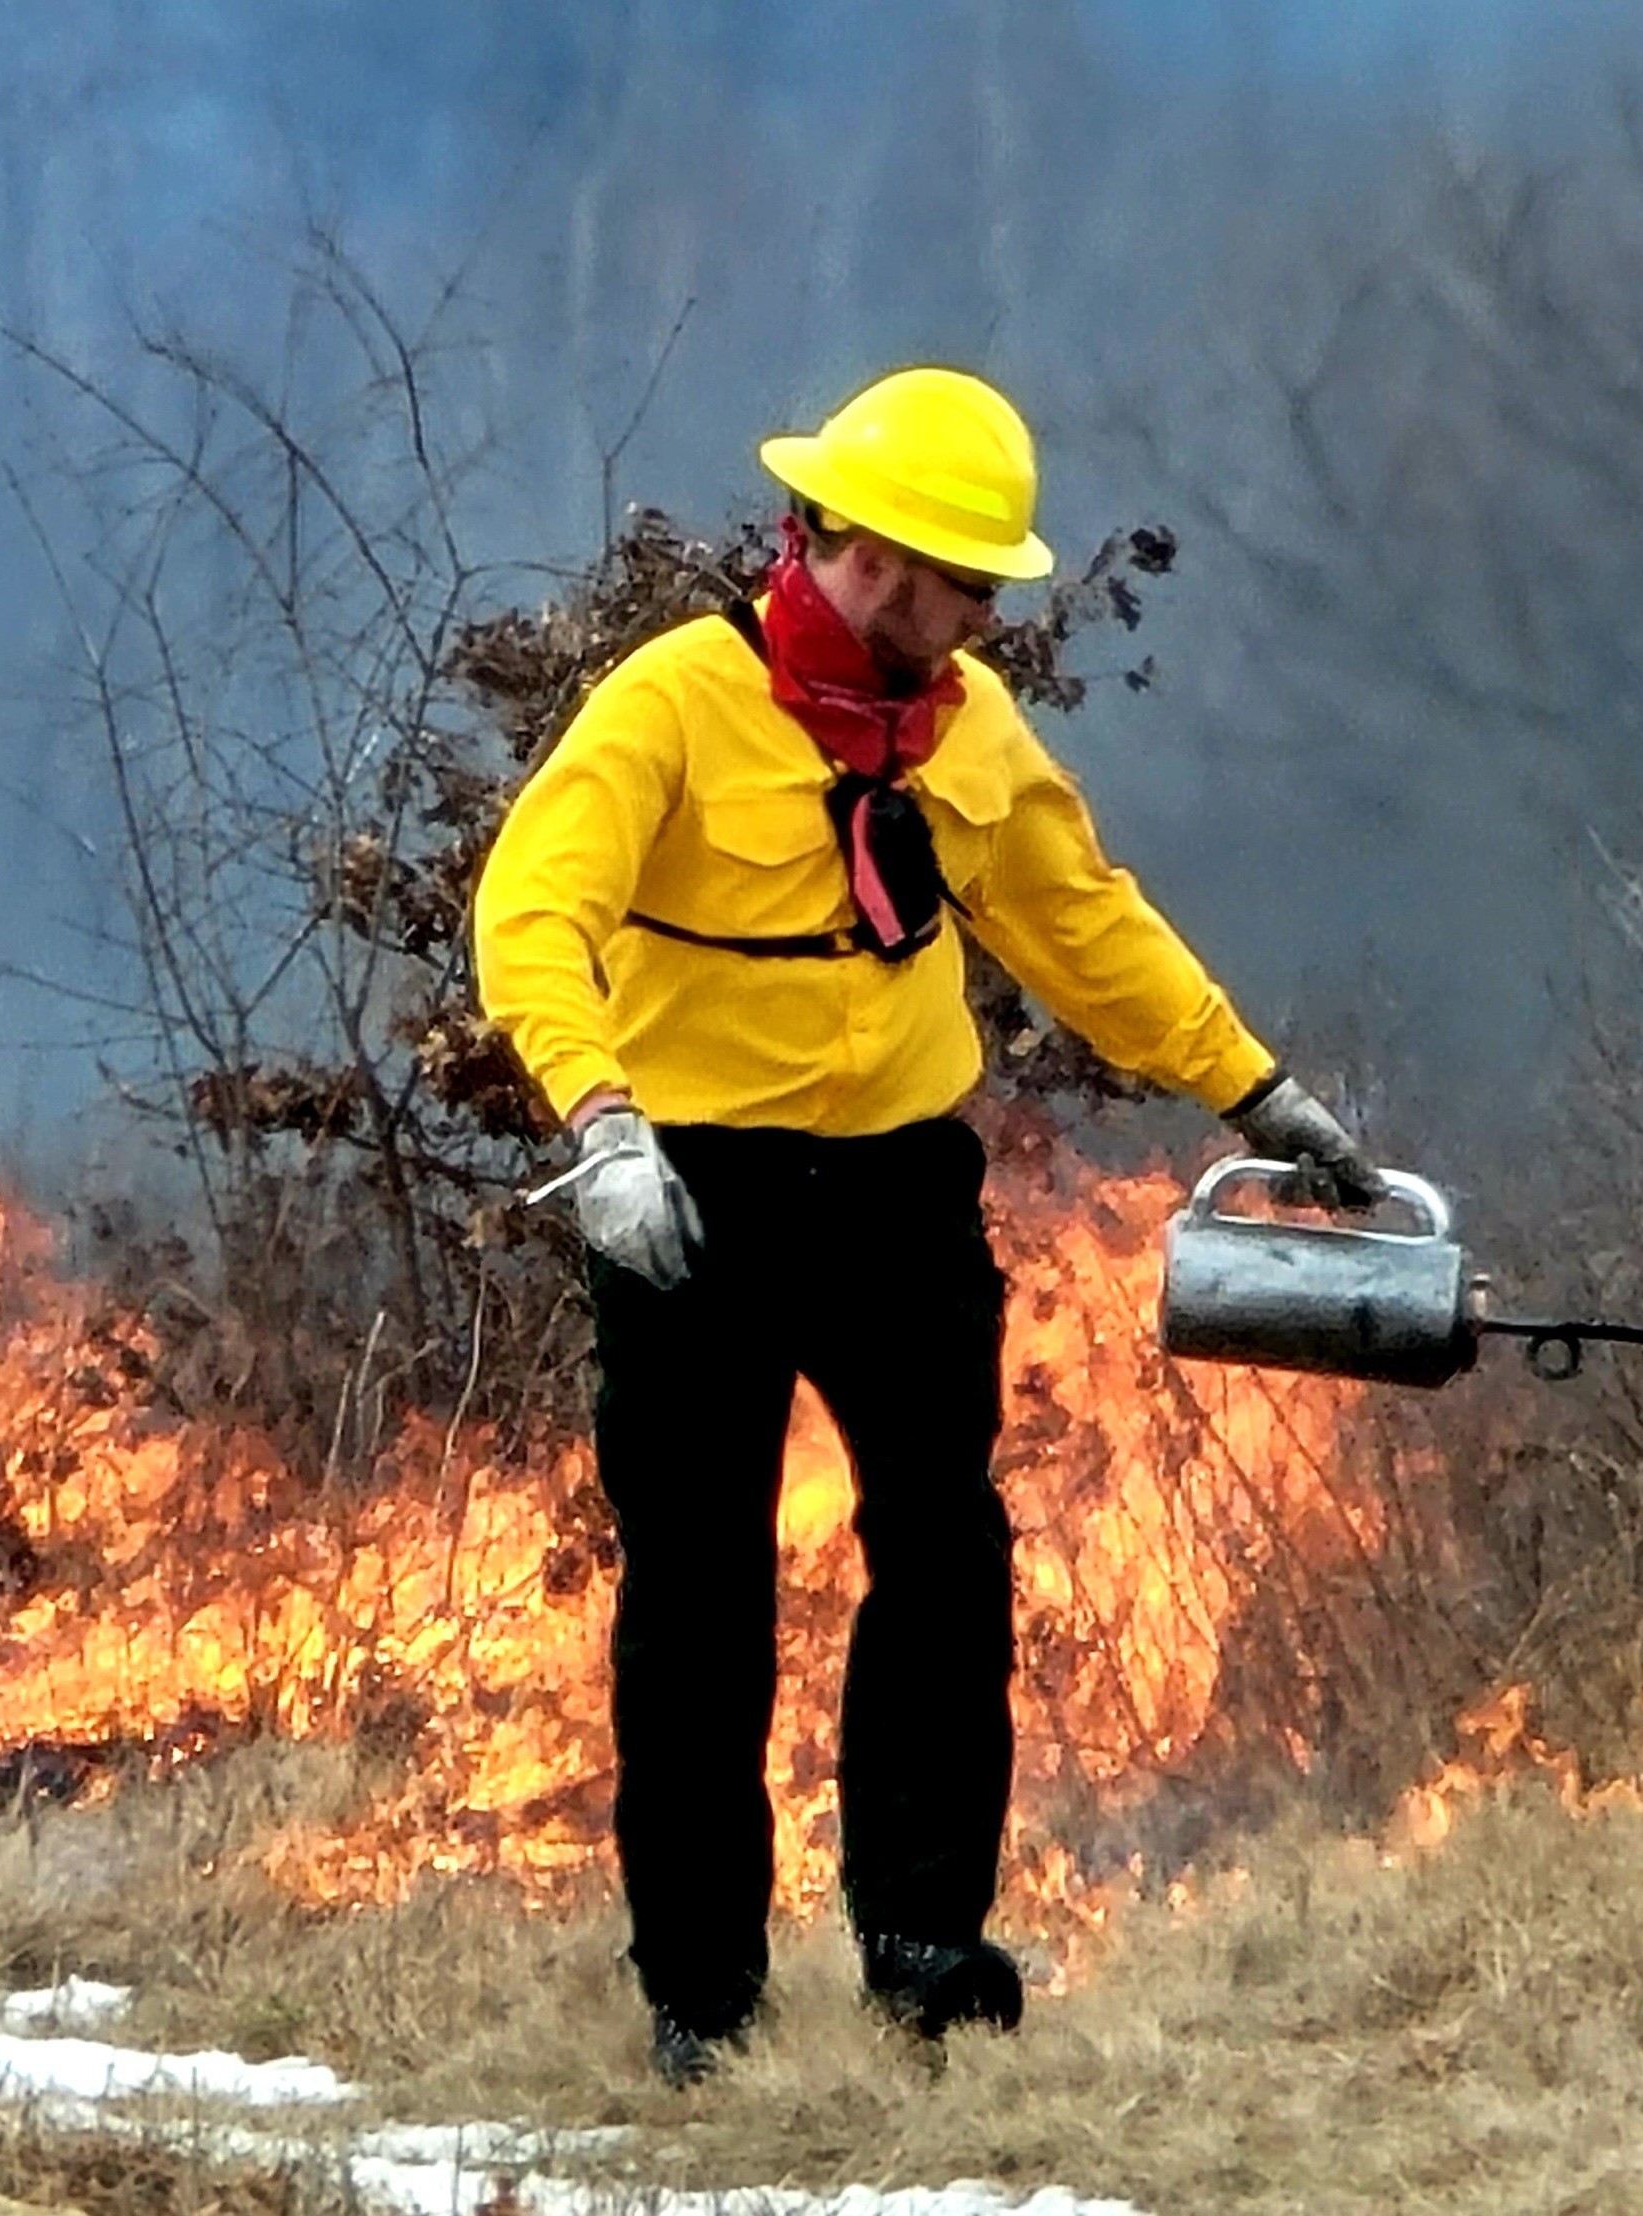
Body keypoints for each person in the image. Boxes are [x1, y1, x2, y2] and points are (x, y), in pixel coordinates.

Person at [471, 366, 1379, 2084]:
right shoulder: (673, 702)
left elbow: (1080, 924)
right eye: (965, 582)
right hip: (688, 1194)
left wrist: (1252, 1093)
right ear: (863, 556)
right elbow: (533, 910)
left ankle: (923, 1941)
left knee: (947, 1559)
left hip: (896, 1188)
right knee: (702, 1587)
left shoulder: (963, 727)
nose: (981, 616)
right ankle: (704, 2000)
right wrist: (599, 1123)